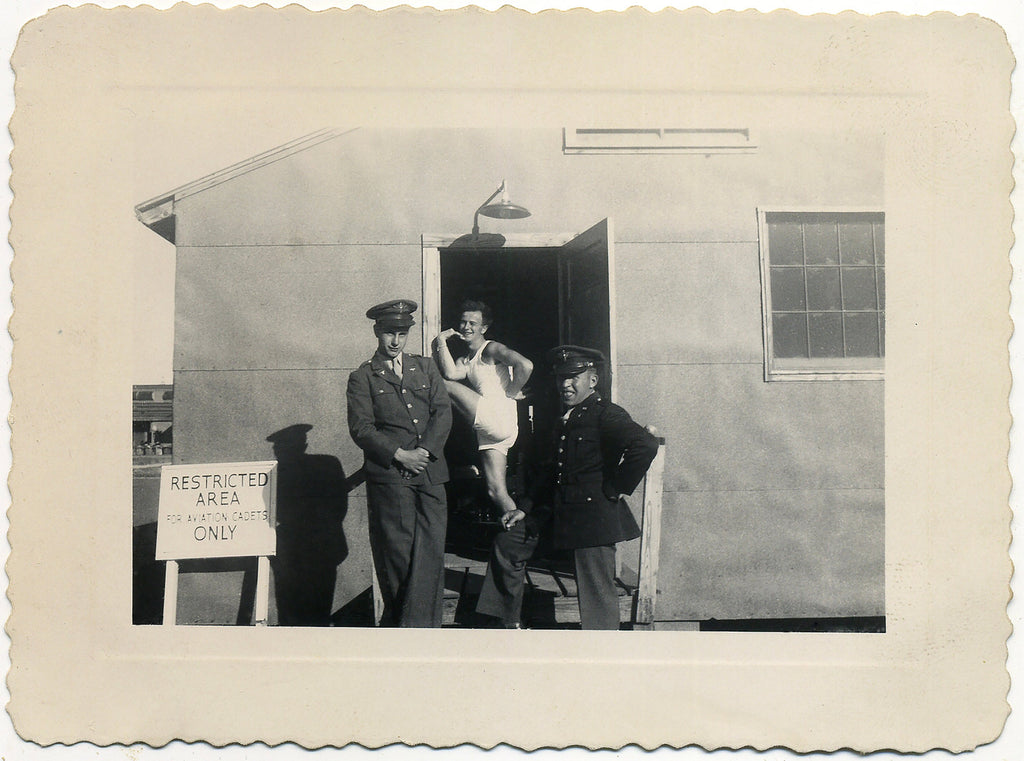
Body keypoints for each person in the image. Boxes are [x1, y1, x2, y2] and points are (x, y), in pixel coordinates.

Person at [476, 345, 659, 629]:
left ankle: (602, 648)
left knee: (596, 590)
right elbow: (550, 471)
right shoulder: (566, 419)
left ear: (593, 381)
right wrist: (525, 508)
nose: (566, 384)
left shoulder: (606, 414)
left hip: (591, 519)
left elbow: (644, 445)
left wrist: (614, 488)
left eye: (574, 377)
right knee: (508, 544)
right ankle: (506, 623)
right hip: (557, 514)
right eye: (562, 377)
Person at [347, 299, 452, 627]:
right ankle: (405, 630)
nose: (396, 341)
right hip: (391, 478)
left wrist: (426, 453)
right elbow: (361, 427)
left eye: (402, 334)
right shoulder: (362, 376)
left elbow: (443, 412)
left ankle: (422, 630)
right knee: (399, 558)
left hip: (431, 473)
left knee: (432, 553)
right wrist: (400, 455)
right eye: (389, 333)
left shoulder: (425, 367)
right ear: (377, 332)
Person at [432, 300, 533, 530]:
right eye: (463, 322)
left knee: (442, 386)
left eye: (473, 323)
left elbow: (525, 365)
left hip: (496, 414)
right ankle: (522, 537)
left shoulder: (491, 348)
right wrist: (440, 341)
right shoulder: (466, 361)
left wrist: (512, 391)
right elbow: (450, 372)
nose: (467, 327)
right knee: (495, 490)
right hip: (499, 429)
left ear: (484, 328)